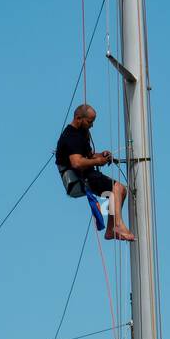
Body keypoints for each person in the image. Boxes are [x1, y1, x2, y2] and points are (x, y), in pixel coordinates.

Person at [55, 102, 134, 241]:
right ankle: (117, 225)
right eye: (89, 122)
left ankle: (111, 230)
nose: (92, 125)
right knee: (118, 188)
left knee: (120, 191)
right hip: (79, 178)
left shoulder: (82, 133)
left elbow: (89, 155)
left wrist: (101, 155)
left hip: (88, 174)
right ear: (78, 118)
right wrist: (98, 162)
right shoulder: (70, 136)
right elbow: (77, 162)